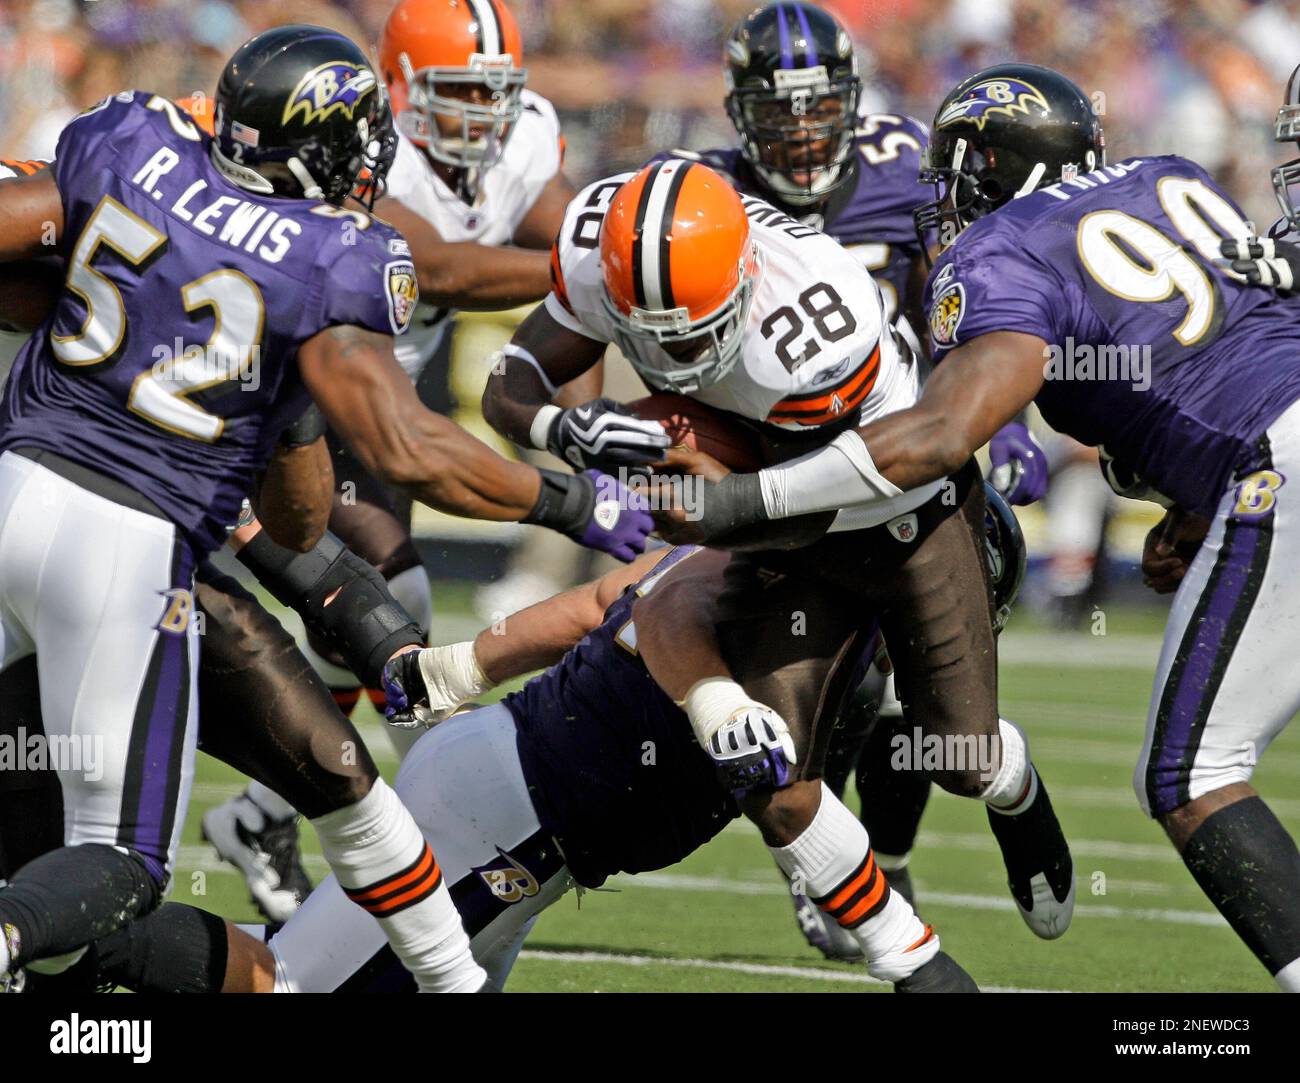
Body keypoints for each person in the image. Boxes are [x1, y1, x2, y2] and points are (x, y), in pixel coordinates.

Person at [0, 24, 651, 992]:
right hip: (128, 551)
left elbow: (24, 233)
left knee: (341, 778)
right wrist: (574, 504)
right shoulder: (332, 257)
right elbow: (401, 452)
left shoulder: (131, 140)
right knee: (125, 862)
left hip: (16, 485)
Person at [660, 62, 1300, 990]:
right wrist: (1198, 503)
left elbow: (940, 432)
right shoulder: (1173, 177)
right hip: (1267, 449)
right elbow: (1233, 346)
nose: (945, 196)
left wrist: (739, 503)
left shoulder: (1003, 247)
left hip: (1274, 461)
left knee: (1193, 773)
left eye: (958, 171)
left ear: (993, 168)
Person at [481, 157, 1076, 946]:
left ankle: (1016, 783)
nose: (673, 356)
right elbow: (510, 380)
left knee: (960, 758)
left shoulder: (812, 323)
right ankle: (900, 946)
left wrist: (721, 503)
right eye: (646, 334)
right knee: (772, 771)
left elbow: (858, 484)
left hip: (894, 507)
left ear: (744, 276)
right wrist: (564, 430)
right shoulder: (602, 252)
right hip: (770, 503)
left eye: (692, 330)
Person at [72, 544, 979, 993]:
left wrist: (464, 666)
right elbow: (783, 799)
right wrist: (909, 951)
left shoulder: (791, 564)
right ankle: (61, 937)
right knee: (285, 985)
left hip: (518, 812)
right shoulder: (791, 607)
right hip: (507, 825)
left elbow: (599, 598)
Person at [201, 0, 602, 923]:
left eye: (496, 94)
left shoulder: (525, 138)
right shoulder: (368, 146)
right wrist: (587, 270)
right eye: (460, 93)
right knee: (393, 610)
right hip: (318, 384)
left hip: (388, 387)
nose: (483, 117)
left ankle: (270, 813)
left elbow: (561, 237)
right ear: (401, 90)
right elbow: (446, 271)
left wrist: (602, 305)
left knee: (373, 615)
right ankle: (428, 847)